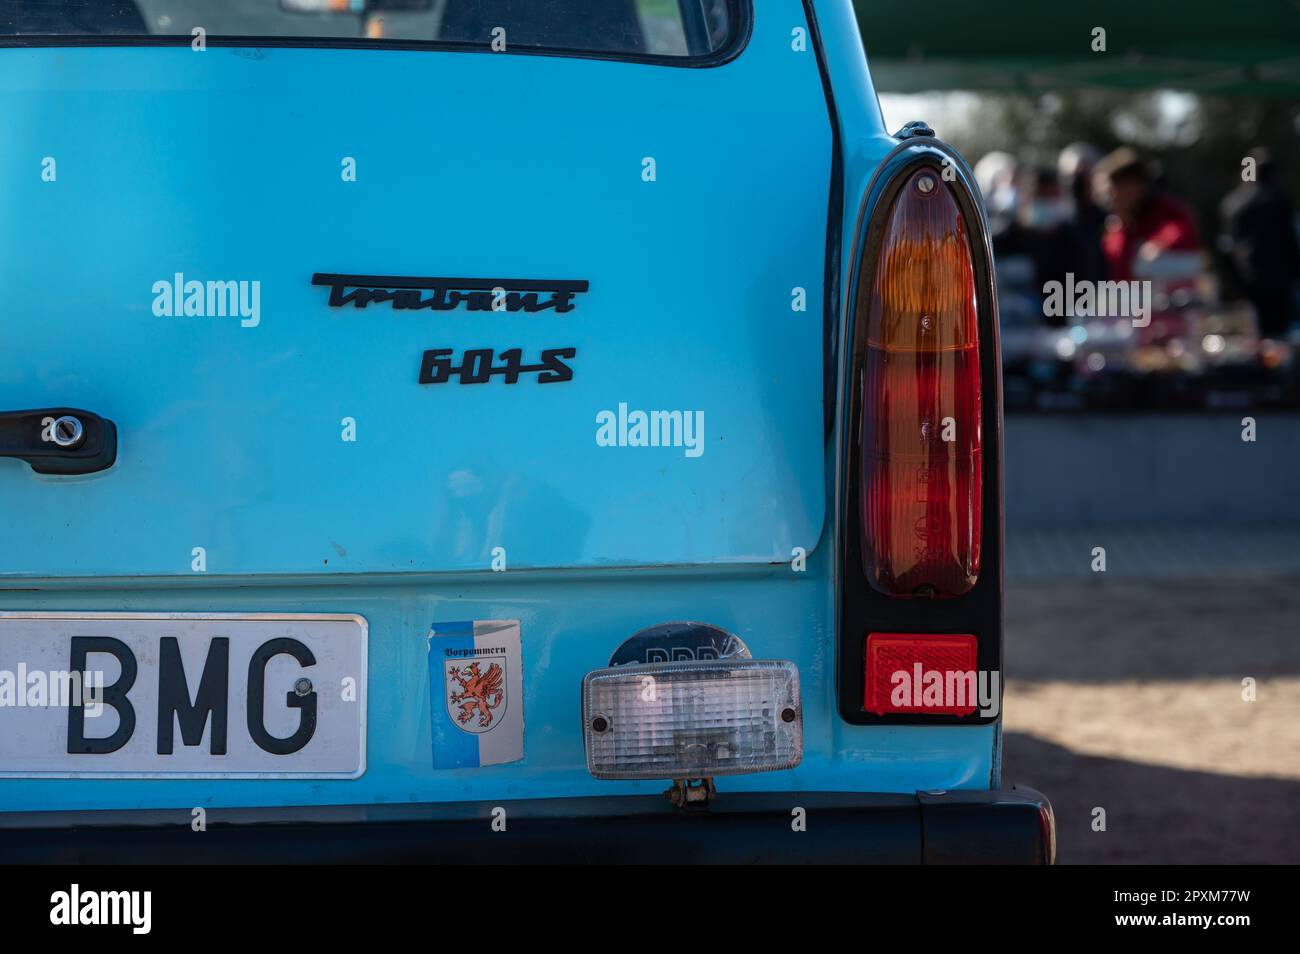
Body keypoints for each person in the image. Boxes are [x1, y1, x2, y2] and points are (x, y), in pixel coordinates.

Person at [1219, 147, 1300, 341]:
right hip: (1277, 283)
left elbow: (1227, 247)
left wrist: (1232, 285)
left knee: (1251, 339)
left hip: (1244, 284)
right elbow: (1290, 241)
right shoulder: (1278, 199)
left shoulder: (1231, 203)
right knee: (1278, 339)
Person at [1092, 147, 1200, 284]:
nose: (1105, 198)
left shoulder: (1166, 211)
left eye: (1110, 190)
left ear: (1133, 186)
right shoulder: (1113, 228)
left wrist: (1159, 244)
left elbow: (1181, 234)